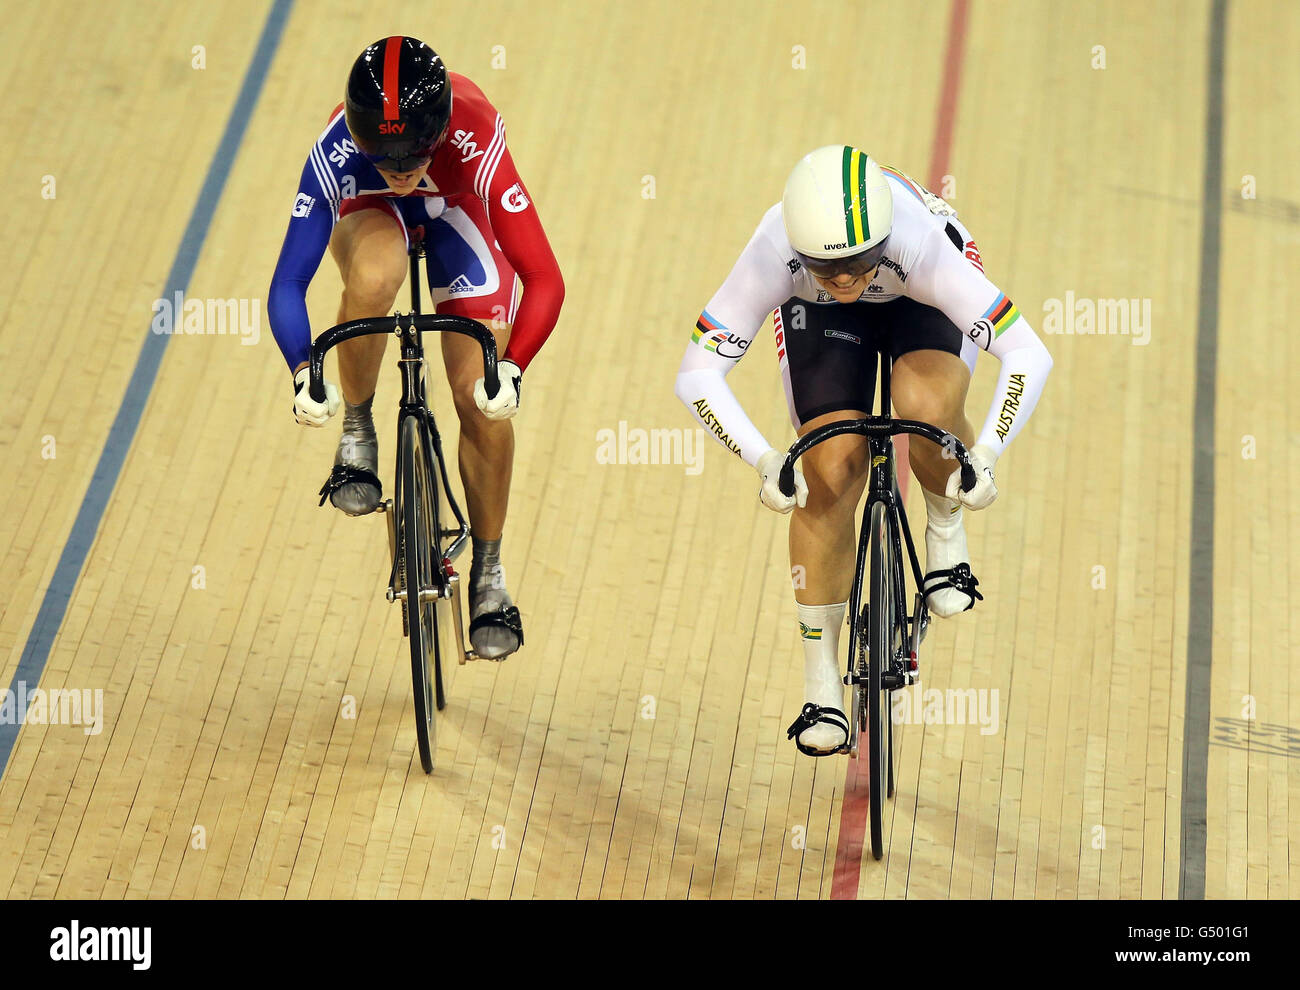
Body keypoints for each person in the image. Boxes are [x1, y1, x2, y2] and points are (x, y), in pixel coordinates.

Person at [675, 145, 1052, 755]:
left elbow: (1030, 353)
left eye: (857, 262)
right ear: (798, 250)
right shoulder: (774, 249)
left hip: (918, 300)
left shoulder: (920, 243)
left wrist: (987, 450)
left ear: (881, 240)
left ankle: (945, 529)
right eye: (828, 267)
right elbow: (696, 376)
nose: (846, 279)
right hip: (820, 319)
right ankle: (822, 685)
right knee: (826, 467)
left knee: (926, 408)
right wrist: (766, 459)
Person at [268, 36, 564, 660]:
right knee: (376, 274)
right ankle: (357, 429)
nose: (400, 171)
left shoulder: (475, 136)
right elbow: (288, 285)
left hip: (459, 210)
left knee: (478, 400)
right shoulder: (336, 150)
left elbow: (544, 277)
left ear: (439, 132)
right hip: (370, 215)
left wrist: (511, 367)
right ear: (358, 134)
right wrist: (303, 370)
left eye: (411, 155)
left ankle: (488, 573)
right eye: (383, 154)